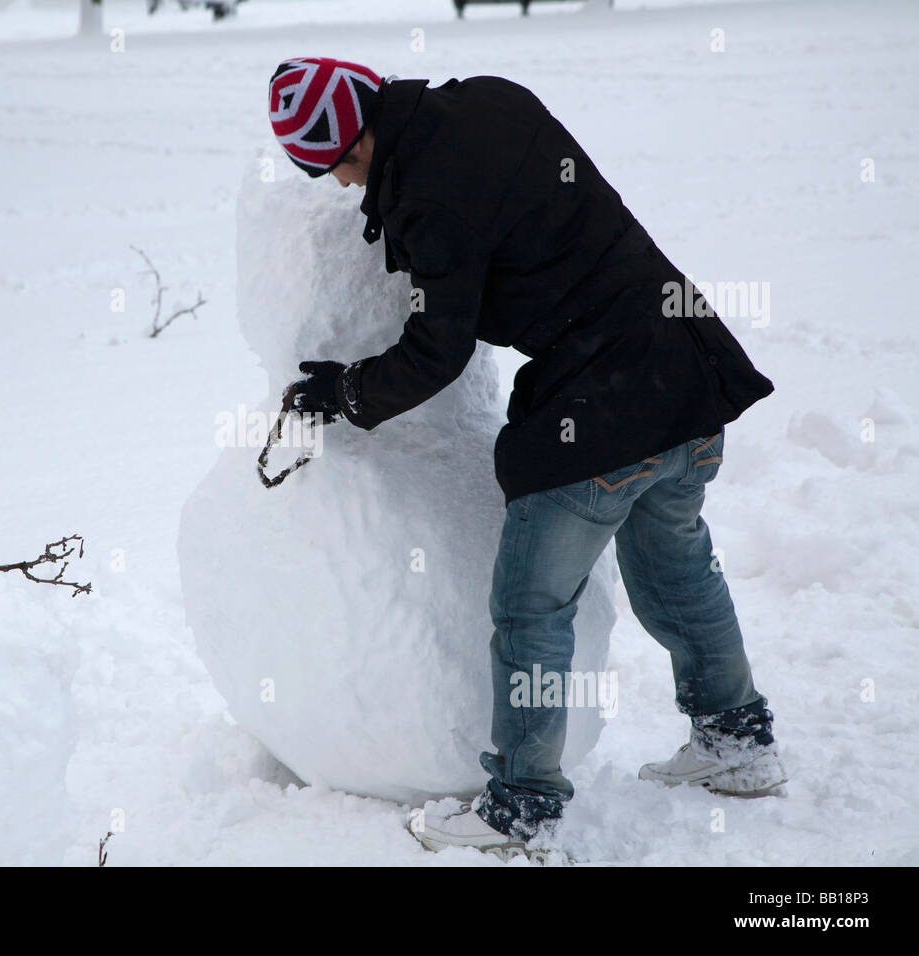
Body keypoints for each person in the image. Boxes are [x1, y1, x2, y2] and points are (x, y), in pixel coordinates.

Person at [266, 57, 788, 854]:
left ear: (353, 138)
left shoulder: (427, 200)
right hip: (686, 376)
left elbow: (435, 351)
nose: (338, 185)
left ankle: (522, 807)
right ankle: (739, 742)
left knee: (532, 608)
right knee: (677, 569)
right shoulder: (491, 100)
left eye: (331, 165)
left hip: (602, 412)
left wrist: (345, 394)